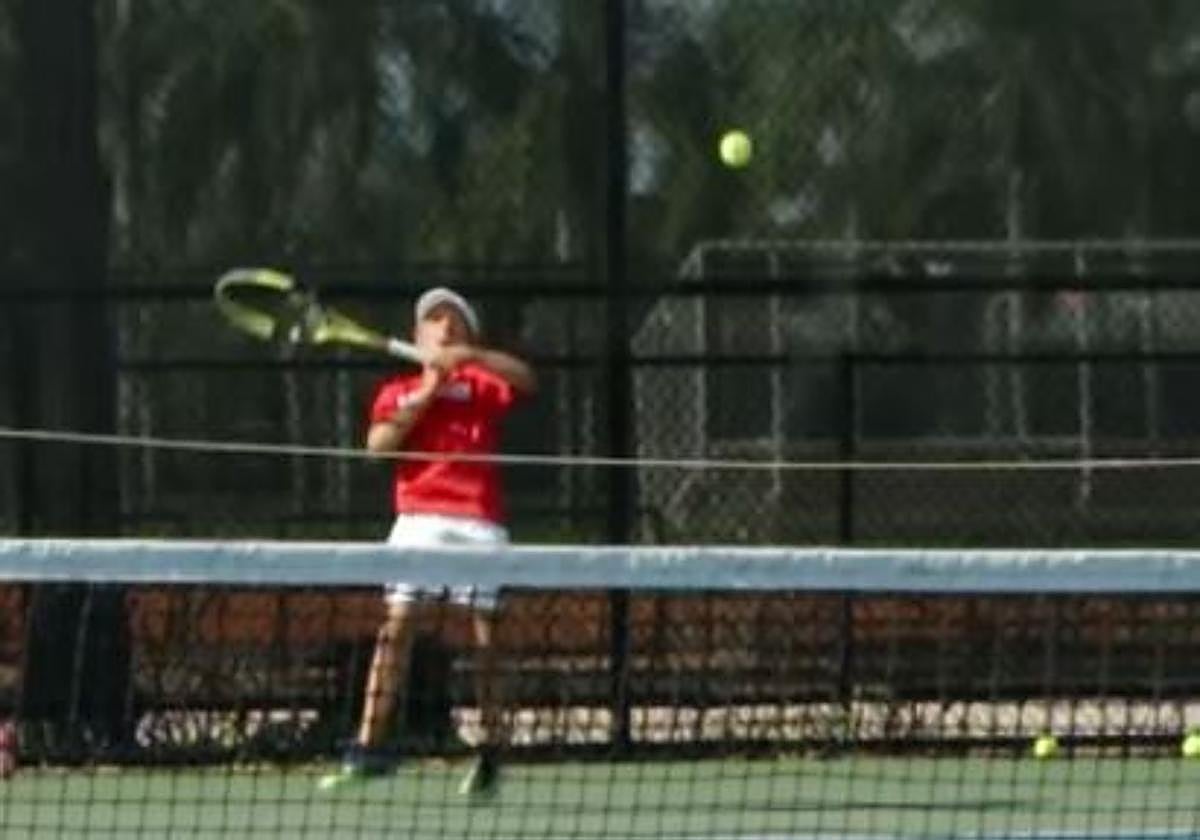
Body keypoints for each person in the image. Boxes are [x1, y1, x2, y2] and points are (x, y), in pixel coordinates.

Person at [318, 287, 535, 796]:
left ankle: (492, 754)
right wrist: (427, 392)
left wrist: (472, 359)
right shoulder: (397, 391)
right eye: (434, 320)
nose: (444, 326)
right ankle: (368, 750)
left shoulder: (484, 383)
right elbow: (378, 448)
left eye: (454, 320)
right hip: (418, 516)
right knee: (396, 627)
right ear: (419, 336)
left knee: (488, 638)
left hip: (480, 519)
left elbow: (527, 380)